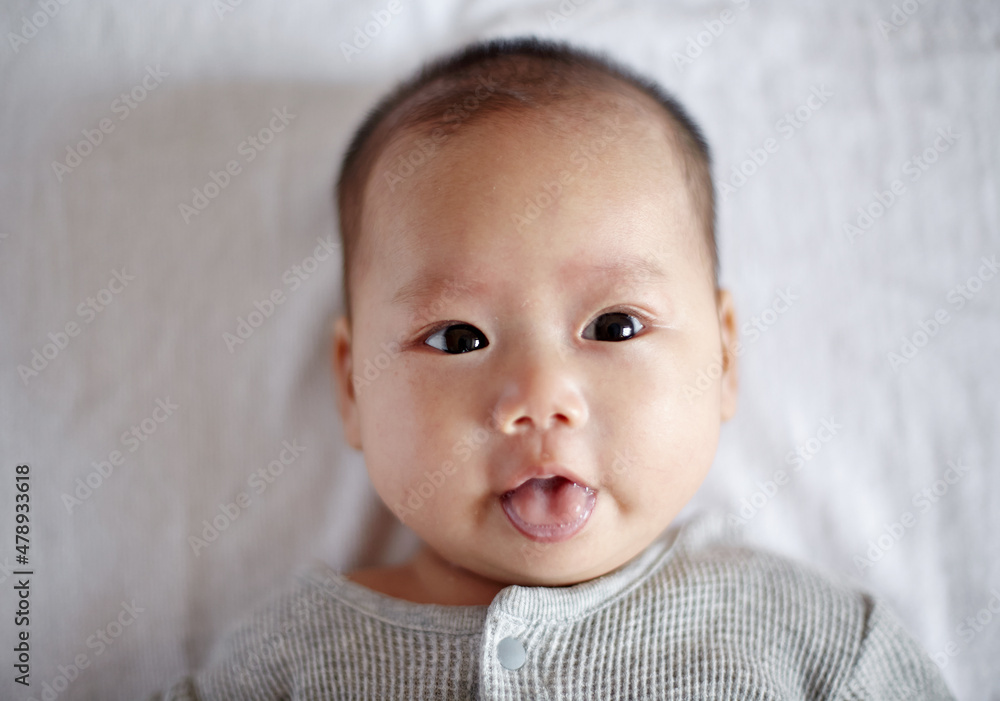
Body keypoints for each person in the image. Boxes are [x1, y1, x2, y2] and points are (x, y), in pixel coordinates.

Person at [151, 36, 955, 699]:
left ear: (723, 357)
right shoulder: (293, 657)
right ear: (353, 383)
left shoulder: (812, 638)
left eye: (614, 325)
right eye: (458, 338)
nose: (538, 398)